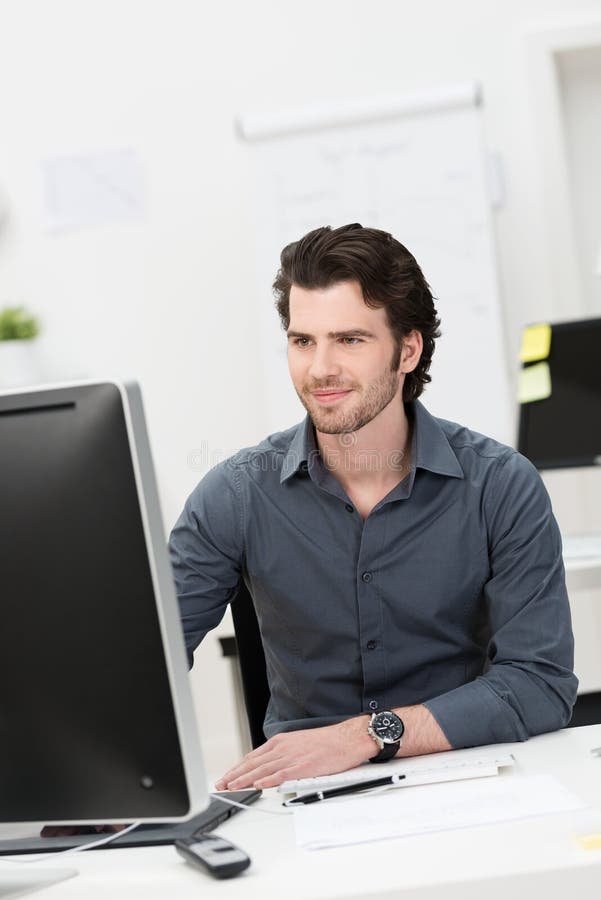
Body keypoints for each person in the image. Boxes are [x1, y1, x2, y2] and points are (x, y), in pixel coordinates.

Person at [169, 223, 577, 791]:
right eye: (302, 340)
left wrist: (365, 734)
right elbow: (148, 664)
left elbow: (540, 685)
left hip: (466, 775)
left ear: (407, 349)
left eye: (350, 340)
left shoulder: (500, 485)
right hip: (307, 794)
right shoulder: (236, 494)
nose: (320, 369)